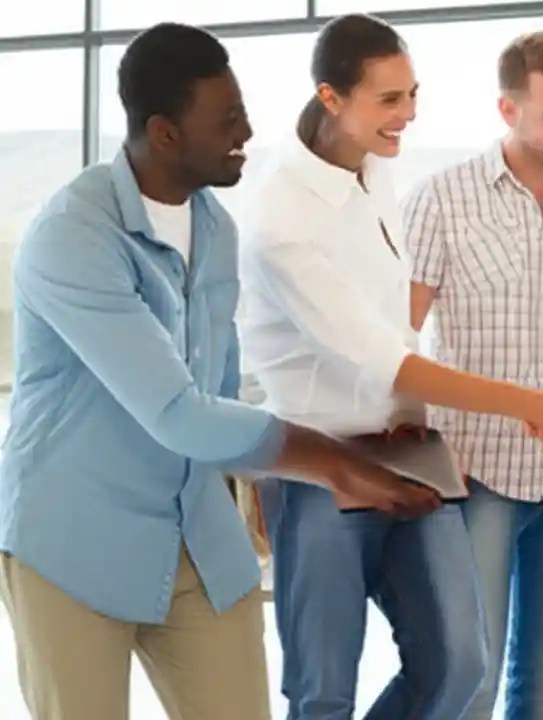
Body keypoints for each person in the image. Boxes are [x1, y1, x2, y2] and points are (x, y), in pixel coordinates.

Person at [0, 23, 443, 720]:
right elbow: (178, 410)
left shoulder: (215, 227)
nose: (247, 130)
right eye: (226, 119)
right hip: (74, 542)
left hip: (197, 540)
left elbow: (221, 378)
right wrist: (338, 466)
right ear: (165, 133)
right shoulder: (74, 237)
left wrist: (256, 480)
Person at [236, 15, 543, 720]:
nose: (408, 114)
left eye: (412, 94)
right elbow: (388, 359)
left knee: (463, 664)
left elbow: (394, 320)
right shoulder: (282, 217)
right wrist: (528, 404)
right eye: (389, 100)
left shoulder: (376, 167)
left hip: (406, 449)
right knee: (323, 692)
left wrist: (429, 427)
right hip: (318, 460)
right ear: (332, 98)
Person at [402, 29, 543, 719]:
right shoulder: (441, 200)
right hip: (473, 478)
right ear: (509, 110)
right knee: (469, 679)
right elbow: (395, 345)